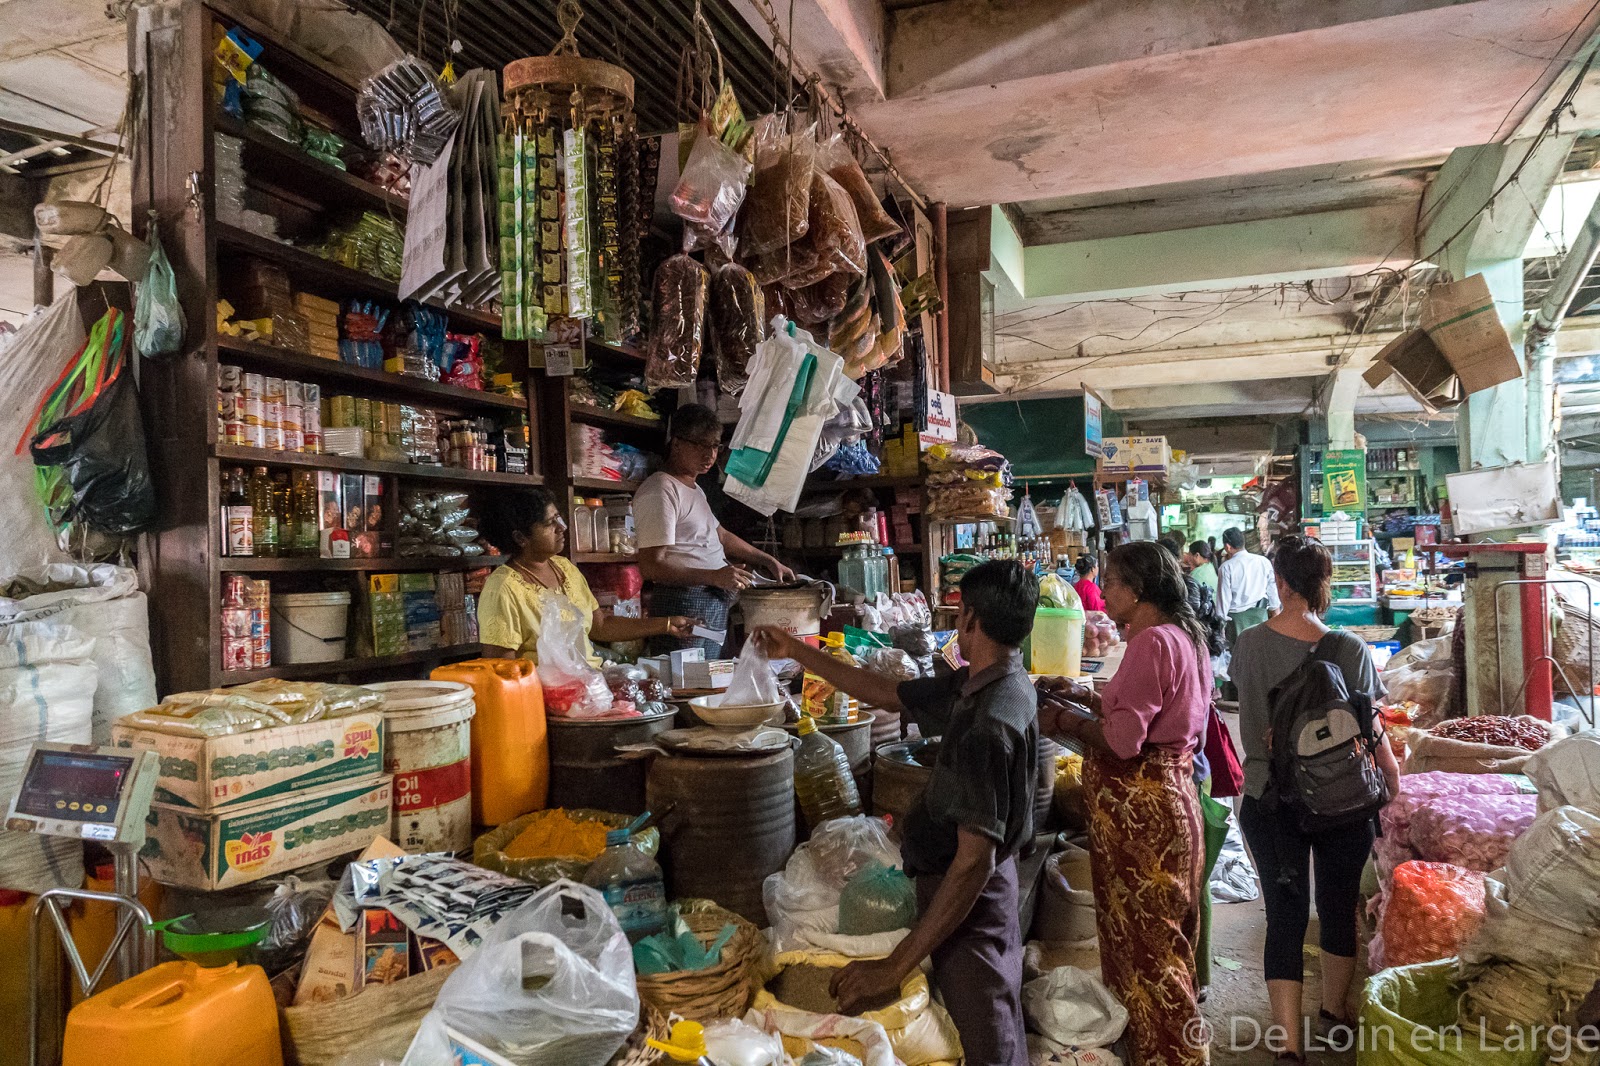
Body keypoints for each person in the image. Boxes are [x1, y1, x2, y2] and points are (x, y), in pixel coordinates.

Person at [754, 560, 1041, 1066]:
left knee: (988, 1036)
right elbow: (884, 692)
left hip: (971, 901)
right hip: (968, 892)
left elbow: (973, 863)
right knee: (985, 1016)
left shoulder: (988, 722)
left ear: (971, 619)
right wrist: (797, 649)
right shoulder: (989, 683)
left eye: (958, 614)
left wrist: (893, 966)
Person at [1036, 542, 1210, 1066]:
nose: (1103, 591)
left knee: (1149, 952)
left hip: (1145, 817)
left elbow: (1123, 741)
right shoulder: (1183, 636)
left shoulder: (1151, 641)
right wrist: (1082, 695)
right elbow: (1144, 711)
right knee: (1163, 941)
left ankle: (1172, 1055)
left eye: (1111, 582)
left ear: (1139, 590)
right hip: (1174, 803)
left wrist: (1063, 722)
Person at [1232, 536, 1400, 1065]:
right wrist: (1390, 781)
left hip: (1269, 797)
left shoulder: (1249, 646)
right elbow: (1372, 730)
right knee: (1336, 905)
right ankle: (1333, 1012)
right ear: (1324, 584)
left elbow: (1248, 718)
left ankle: (1287, 1044)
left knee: (1282, 914)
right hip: (1342, 798)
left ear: (1280, 582)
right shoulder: (1349, 649)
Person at [634, 404, 793, 654]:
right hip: (682, 602)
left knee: (709, 679)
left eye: (715, 446)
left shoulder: (694, 489)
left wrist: (768, 560)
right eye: (700, 444)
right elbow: (651, 566)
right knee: (687, 684)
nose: (710, 454)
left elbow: (720, 535)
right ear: (676, 443)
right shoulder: (661, 489)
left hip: (710, 599)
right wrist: (714, 576)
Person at [478, 488, 696, 662]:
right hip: (545, 698)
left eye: (558, 518)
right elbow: (502, 668)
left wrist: (666, 625)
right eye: (549, 523)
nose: (561, 527)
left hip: (587, 685)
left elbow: (600, 626)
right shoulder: (503, 588)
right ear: (520, 538)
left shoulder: (564, 567)